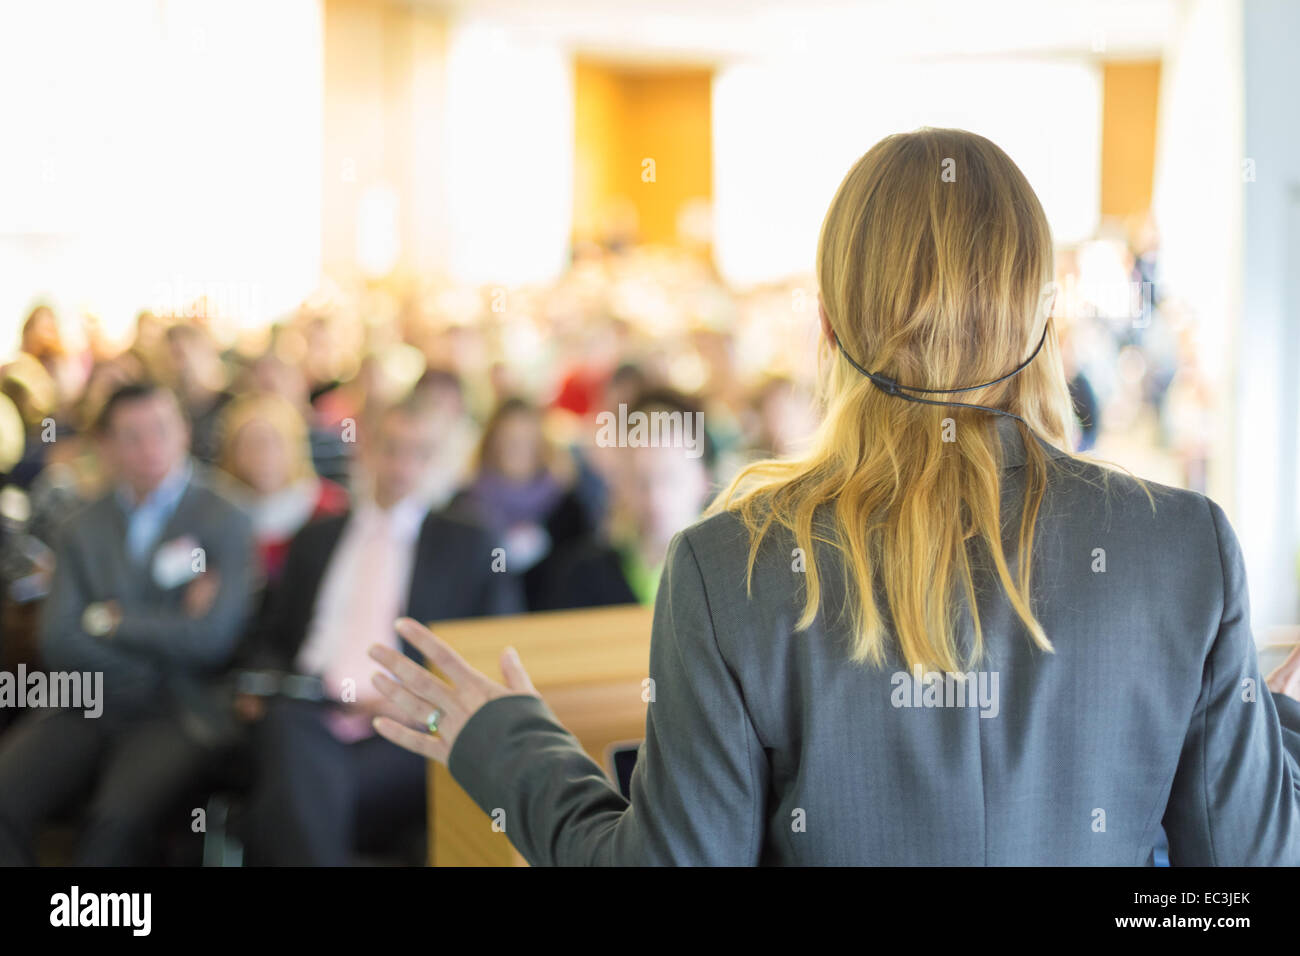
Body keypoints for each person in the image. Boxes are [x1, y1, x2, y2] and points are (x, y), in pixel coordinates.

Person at [366, 128, 1300, 865]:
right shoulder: (1184, 550)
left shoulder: (729, 565)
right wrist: (1263, 725)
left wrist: (509, 749)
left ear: (825, 326)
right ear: (1044, 318)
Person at [238, 392, 523, 866]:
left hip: (407, 725)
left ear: (441, 461)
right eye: (390, 447)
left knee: (292, 793)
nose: (401, 465)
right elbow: (273, 639)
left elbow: (493, 655)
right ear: (365, 449)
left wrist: (419, 702)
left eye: (420, 452)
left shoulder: (470, 544)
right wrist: (261, 685)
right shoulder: (316, 538)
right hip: (307, 709)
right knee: (291, 736)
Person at [0, 382, 255, 865]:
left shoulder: (226, 517)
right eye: (131, 436)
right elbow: (58, 640)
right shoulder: (82, 525)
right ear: (108, 446)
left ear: (183, 430)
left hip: (179, 707)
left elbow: (213, 640)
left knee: (113, 823)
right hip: (87, 698)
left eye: (160, 429)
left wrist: (112, 622)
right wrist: (163, 636)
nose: (148, 447)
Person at [537, 388, 714, 610]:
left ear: (704, 480)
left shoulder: (731, 572)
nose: (655, 497)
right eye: (641, 481)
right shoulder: (581, 575)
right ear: (620, 484)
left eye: (671, 478)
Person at [215, 392, 348, 585]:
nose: (262, 456)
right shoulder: (219, 509)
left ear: (294, 447)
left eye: (273, 443)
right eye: (250, 445)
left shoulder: (330, 506)